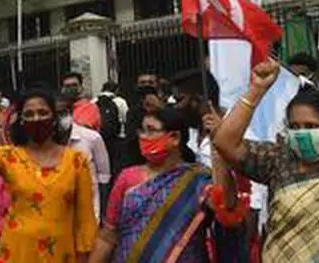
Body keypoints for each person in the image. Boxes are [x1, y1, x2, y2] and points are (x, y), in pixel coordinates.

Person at [213, 58, 319, 263]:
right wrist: (257, 90)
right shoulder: (278, 160)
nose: (302, 134)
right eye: (295, 127)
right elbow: (225, 142)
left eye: (311, 126)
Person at [89, 107, 247, 263]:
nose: (143, 136)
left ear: (175, 137)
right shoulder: (127, 178)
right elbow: (108, 236)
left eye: (151, 130)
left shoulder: (198, 179)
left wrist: (218, 146)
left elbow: (226, 204)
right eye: (142, 130)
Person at [0, 88, 97, 262]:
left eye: (43, 112)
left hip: (62, 253)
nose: (36, 118)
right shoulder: (7, 157)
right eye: (29, 114)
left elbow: (85, 218)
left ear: (55, 118)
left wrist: (84, 256)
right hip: (17, 251)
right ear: (21, 121)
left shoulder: (76, 161)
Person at [57, 93, 111, 218]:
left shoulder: (92, 138)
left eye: (63, 113)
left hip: (91, 211)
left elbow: (104, 177)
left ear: (71, 112)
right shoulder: (47, 143)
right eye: (55, 114)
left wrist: (103, 214)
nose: (59, 118)